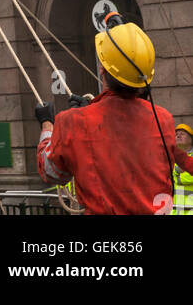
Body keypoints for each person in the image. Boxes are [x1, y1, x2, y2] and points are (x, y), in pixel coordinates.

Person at [36, 16, 193, 215]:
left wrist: (47, 125)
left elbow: (51, 172)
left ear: (102, 70)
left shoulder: (73, 121)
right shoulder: (163, 119)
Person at [173, 122, 193, 215]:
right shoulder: (170, 157)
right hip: (175, 208)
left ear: (191, 139)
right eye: (176, 134)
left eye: (182, 134)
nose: (178, 136)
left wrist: (175, 174)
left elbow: (189, 178)